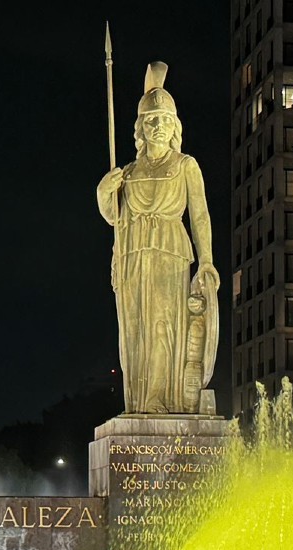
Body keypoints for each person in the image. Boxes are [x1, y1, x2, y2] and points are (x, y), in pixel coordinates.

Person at [97, 61, 219, 414]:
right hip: (134, 253)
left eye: (165, 119)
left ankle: (161, 400)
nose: (159, 126)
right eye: (152, 120)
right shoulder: (129, 173)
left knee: (164, 327)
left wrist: (207, 260)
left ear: (175, 126)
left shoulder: (185, 165)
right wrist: (105, 193)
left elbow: (199, 215)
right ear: (141, 128)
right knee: (135, 331)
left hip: (169, 250)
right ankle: (137, 402)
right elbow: (116, 219)